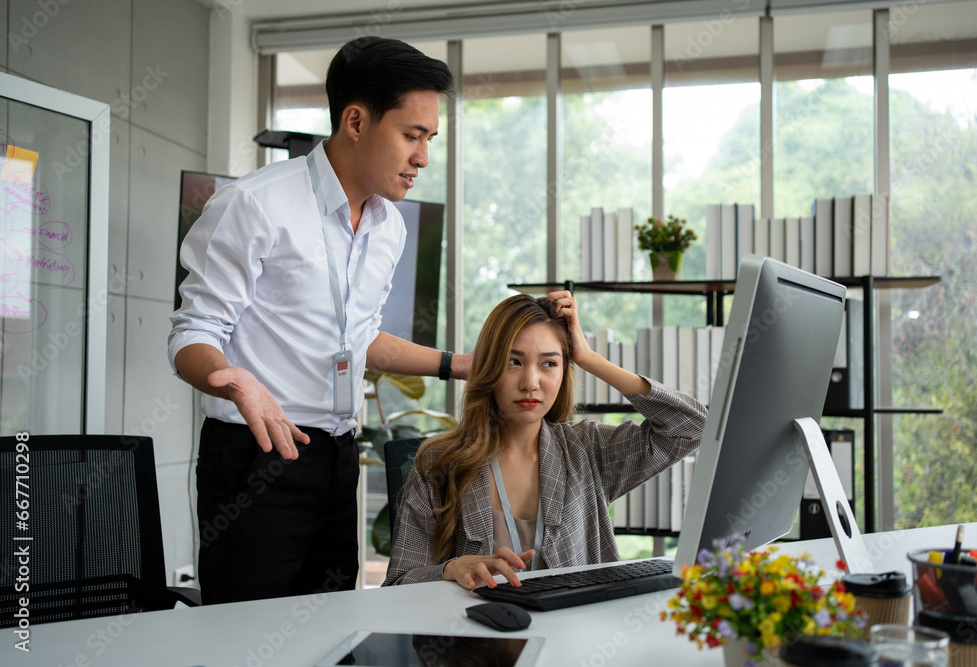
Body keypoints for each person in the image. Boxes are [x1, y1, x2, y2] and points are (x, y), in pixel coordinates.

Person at [167, 37, 469, 604]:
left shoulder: (390, 227)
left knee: (330, 630)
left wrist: (463, 365)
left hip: (338, 456)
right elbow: (193, 333)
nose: (423, 158)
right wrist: (234, 382)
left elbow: (361, 339)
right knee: (247, 634)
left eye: (430, 139)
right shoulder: (255, 204)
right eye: (412, 135)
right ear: (355, 121)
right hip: (256, 454)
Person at [383, 291, 707, 588]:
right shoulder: (440, 464)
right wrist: (450, 569)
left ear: (565, 372)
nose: (530, 382)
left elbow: (693, 427)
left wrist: (588, 357)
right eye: (513, 362)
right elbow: (398, 584)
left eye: (549, 363)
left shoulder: (588, 449)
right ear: (488, 367)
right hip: (478, 632)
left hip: (575, 630)